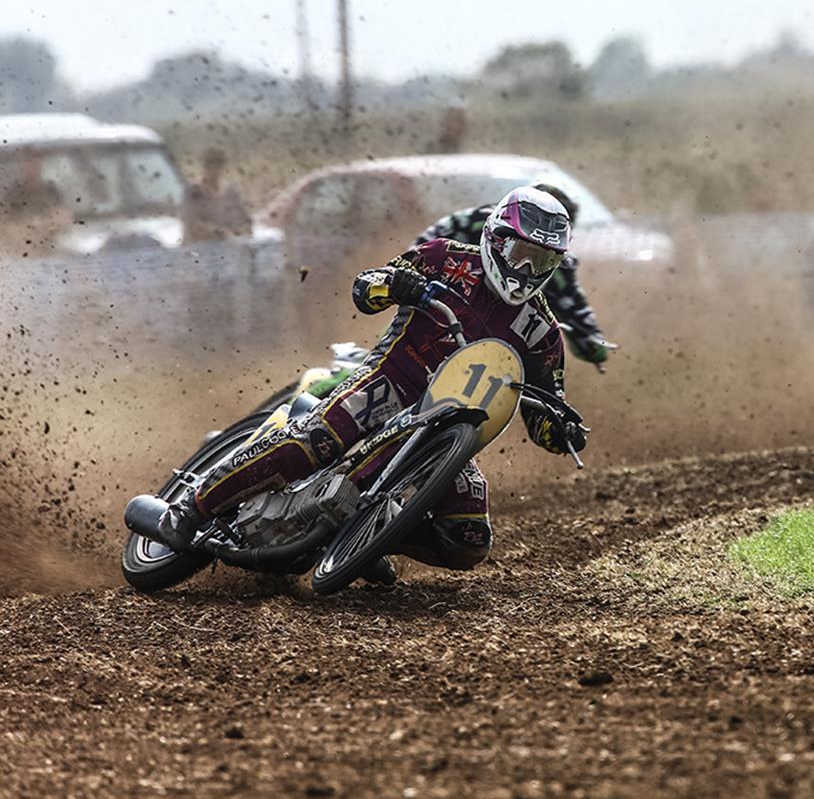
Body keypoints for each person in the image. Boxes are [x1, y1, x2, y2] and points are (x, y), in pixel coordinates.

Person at [154, 186, 587, 573]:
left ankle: (361, 538)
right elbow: (366, 288)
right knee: (316, 441)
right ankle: (190, 510)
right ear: (495, 240)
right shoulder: (444, 258)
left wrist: (562, 429)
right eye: (521, 256)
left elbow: (547, 412)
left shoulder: (543, 332)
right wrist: (399, 285)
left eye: (544, 261)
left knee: (468, 540)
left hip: (447, 425)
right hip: (390, 381)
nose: (529, 270)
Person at [416, 181, 615, 367]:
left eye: (544, 255)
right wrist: (415, 279)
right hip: (443, 301)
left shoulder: (561, 266)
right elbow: (423, 246)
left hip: (501, 333)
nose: (544, 228)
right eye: (521, 250)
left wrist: (591, 339)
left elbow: (572, 303)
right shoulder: (477, 220)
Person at [183, 148, 250, 242]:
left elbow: (244, 221)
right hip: (199, 249)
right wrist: (220, 232)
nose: (215, 170)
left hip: (228, 248)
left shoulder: (231, 192)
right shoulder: (193, 192)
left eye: (218, 165)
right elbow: (193, 225)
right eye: (211, 165)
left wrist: (241, 230)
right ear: (205, 166)